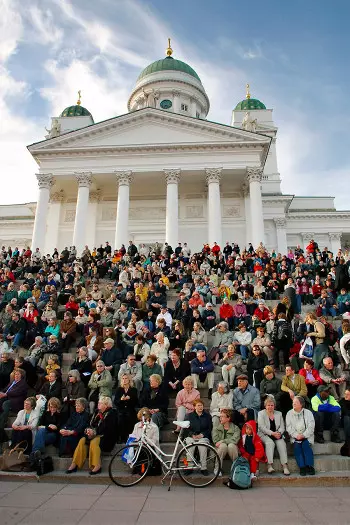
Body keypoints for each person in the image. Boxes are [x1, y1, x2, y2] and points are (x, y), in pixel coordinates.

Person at [66, 396, 117, 475]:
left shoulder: (111, 413)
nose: (98, 404)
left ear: (106, 405)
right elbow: (90, 424)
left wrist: (94, 432)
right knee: (82, 440)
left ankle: (97, 465)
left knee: (94, 441)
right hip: (93, 434)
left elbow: (108, 429)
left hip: (106, 437)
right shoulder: (97, 412)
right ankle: (74, 464)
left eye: (100, 403)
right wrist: (88, 430)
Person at [258, 396, 290, 475]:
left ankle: (285, 466)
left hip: (277, 434)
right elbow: (261, 427)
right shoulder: (261, 413)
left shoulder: (279, 414)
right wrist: (272, 433)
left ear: (274, 406)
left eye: (272, 405)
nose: (270, 407)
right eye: (268, 405)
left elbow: (282, 427)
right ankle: (269, 465)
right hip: (264, 434)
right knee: (270, 443)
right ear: (265, 406)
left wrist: (278, 433)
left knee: (281, 443)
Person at [286, 396, 315, 476]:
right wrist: (296, 435)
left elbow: (311, 426)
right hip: (295, 437)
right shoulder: (289, 413)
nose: (294, 404)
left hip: (306, 436)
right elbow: (288, 427)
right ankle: (302, 467)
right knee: (297, 447)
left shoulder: (308, 413)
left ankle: (309, 466)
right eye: (293, 402)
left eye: (296, 402)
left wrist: (303, 435)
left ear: (301, 404)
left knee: (306, 446)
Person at [184, 398, 213, 475]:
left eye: (202, 405)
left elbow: (209, 428)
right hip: (192, 436)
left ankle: (203, 467)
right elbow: (186, 428)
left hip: (203, 436)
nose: (200, 407)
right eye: (198, 405)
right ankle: (189, 467)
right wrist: (192, 435)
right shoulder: (189, 416)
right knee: (190, 444)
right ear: (194, 407)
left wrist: (202, 434)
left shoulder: (207, 416)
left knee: (202, 445)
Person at [30, 397, 62, 463]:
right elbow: (39, 426)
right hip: (43, 434)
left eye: (54, 407)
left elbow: (57, 428)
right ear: (49, 406)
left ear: (57, 407)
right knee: (41, 431)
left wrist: (45, 427)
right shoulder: (46, 413)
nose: (52, 409)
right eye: (51, 407)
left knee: (40, 433)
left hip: (53, 435)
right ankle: (37, 453)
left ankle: (34, 453)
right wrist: (49, 426)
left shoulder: (60, 415)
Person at [212, 408, 240, 476]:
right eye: (220, 416)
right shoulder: (216, 427)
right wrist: (223, 443)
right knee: (223, 446)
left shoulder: (236, 428)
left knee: (231, 445)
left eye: (222, 416)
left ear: (228, 418)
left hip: (232, 449)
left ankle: (235, 469)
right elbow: (216, 441)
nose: (220, 418)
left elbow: (235, 440)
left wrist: (223, 441)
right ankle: (217, 469)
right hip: (220, 449)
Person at [114, 373, 138, 443]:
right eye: (123, 379)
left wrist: (130, 398)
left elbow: (136, 402)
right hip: (121, 409)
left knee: (129, 416)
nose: (124, 380)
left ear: (129, 380)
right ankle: (122, 437)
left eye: (126, 378)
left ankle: (129, 436)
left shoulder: (133, 390)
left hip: (130, 409)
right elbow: (115, 402)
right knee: (121, 418)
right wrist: (121, 400)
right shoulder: (119, 389)